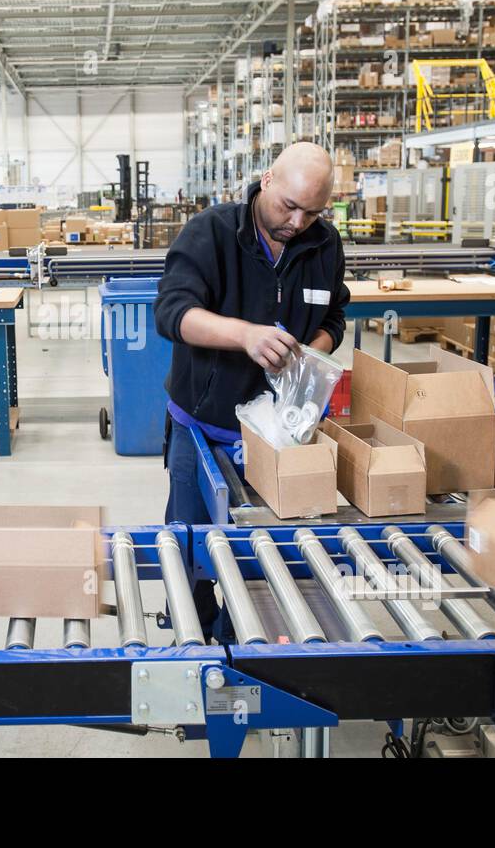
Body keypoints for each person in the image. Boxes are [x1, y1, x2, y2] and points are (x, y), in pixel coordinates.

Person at [154, 142, 349, 636]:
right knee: (191, 550)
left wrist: (312, 351)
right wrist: (244, 335)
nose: (298, 222)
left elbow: (333, 317)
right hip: (202, 430)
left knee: (272, 557)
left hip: (280, 435)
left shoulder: (324, 246)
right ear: (266, 181)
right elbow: (173, 313)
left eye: (313, 212)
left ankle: (249, 642)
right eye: (289, 206)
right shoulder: (212, 233)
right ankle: (195, 647)